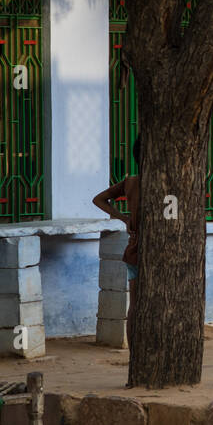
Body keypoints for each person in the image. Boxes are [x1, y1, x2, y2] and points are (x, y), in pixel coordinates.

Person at [93, 137, 141, 323]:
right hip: (145, 252)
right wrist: (124, 218)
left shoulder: (130, 182)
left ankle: (135, 351)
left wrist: (123, 218)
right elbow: (98, 199)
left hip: (133, 250)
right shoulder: (162, 185)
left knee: (135, 307)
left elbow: (99, 199)